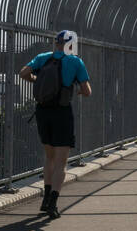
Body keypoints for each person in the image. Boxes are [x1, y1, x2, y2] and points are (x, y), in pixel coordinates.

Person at [19, 29, 91, 218]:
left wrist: (35, 79)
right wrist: (80, 91)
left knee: (49, 157)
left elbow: (23, 73)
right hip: (62, 113)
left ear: (56, 43)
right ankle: (53, 202)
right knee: (61, 161)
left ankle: (44, 198)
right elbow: (87, 90)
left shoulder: (43, 58)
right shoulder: (75, 61)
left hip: (43, 112)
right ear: (71, 44)